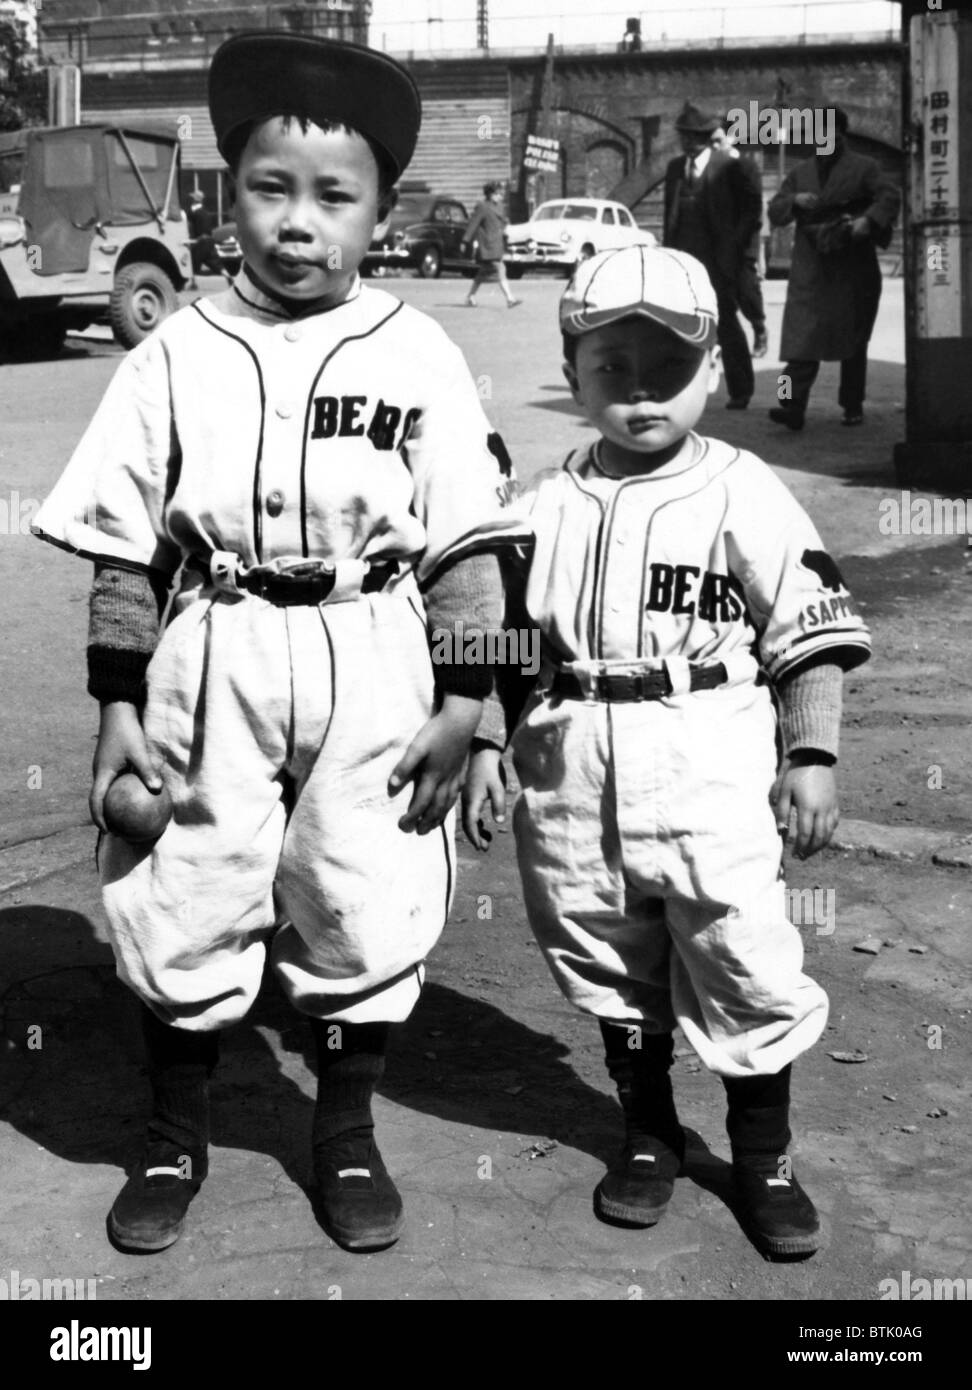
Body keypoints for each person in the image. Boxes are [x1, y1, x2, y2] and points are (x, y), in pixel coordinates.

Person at [31, 31, 528, 1258]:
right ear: (227, 192)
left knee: (364, 893)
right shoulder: (173, 353)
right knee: (180, 892)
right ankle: (171, 1132)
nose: (298, 221)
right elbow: (125, 547)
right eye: (271, 187)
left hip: (373, 644)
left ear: (378, 214)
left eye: (333, 196)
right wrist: (116, 702)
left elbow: (468, 544)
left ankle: (344, 1127)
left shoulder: (416, 348)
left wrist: (472, 706)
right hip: (219, 641)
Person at [463, 245, 871, 1257]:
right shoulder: (541, 505)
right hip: (574, 750)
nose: (641, 388)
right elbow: (509, 642)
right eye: (613, 364)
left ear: (710, 368)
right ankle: (648, 1133)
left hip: (706, 748)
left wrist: (810, 755)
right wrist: (484, 740)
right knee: (608, 952)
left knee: (740, 950)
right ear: (573, 371)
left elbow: (805, 630)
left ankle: (764, 1155)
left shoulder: (745, 486)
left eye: (668, 364)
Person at [767, 107, 900, 430]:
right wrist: (795, 200)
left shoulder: (865, 167)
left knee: (853, 343)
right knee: (798, 345)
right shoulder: (800, 173)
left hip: (851, 268)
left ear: (842, 134)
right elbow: (775, 210)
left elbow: (889, 196)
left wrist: (867, 221)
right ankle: (789, 404)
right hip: (810, 270)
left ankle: (852, 405)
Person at [663, 101, 762, 409]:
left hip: (719, 261)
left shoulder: (729, 165)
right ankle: (682, 387)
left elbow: (751, 210)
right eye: (683, 135)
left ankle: (740, 390)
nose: (685, 141)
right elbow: (671, 214)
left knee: (726, 324)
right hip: (684, 260)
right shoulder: (675, 168)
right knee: (681, 324)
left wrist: (735, 245)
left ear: (703, 137)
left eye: (691, 135)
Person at [709, 120, 768, 357]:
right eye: (711, 141)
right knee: (719, 295)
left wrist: (749, 247)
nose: (714, 146)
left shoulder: (743, 166)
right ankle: (722, 342)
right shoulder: (708, 168)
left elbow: (754, 207)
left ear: (730, 140)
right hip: (718, 242)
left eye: (718, 140)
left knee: (746, 290)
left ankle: (759, 328)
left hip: (743, 243)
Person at [462, 181, 521, 309]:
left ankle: (470, 297)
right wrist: (465, 240)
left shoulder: (499, 206)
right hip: (488, 244)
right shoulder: (482, 207)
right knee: (501, 268)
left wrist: (506, 226)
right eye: (498, 194)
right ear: (490, 195)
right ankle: (510, 299)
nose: (501, 196)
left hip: (497, 243)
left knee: (482, 274)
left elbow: (503, 221)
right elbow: (473, 224)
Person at [186, 189, 218, 276]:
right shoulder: (202, 212)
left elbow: (192, 228)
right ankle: (229, 277)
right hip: (205, 241)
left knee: (192, 265)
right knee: (213, 264)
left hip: (201, 242)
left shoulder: (197, 213)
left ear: (195, 200)